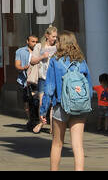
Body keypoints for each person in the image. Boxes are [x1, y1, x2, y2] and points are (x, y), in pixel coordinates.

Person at [37, 31, 90, 171]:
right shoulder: (81, 61)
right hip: (79, 106)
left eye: (58, 41)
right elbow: (88, 86)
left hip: (61, 106)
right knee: (77, 145)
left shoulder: (55, 61)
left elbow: (49, 88)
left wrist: (43, 110)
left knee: (57, 144)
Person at [28, 27, 58, 133]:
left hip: (54, 77)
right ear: (47, 35)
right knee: (42, 101)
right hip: (43, 77)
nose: (54, 39)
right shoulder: (39, 46)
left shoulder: (57, 47)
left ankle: (52, 126)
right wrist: (42, 56)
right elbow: (32, 60)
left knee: (53, 102)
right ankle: (41, 123)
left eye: (55, 36)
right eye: (53, 36)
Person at [14, 33, 39, 129]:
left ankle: (37, 121)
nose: (35, 44)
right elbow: (17, 65)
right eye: (33, 42)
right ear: (27, 41)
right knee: (27, 102)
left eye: (36, 42)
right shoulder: (20, 51)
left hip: (37, 80)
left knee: (37, 102)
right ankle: (30, 120)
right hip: (24, 80)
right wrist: (23, 67)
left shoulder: (40, 51)